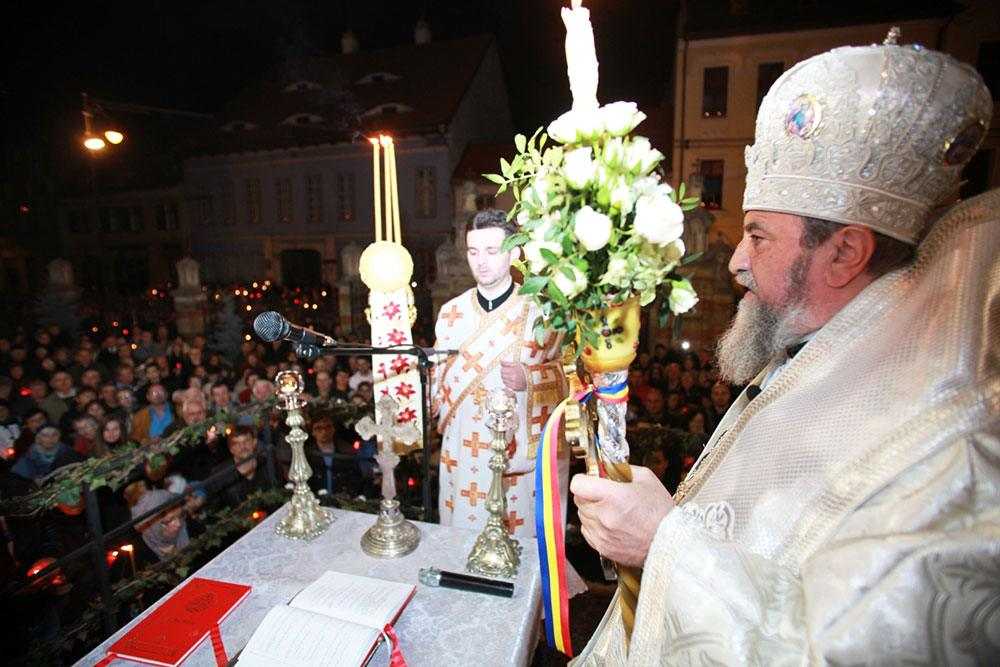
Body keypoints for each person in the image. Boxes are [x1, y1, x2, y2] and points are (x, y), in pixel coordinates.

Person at [571, 38, 998, 664]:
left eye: (758, 236)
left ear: (845, 253)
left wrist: (662, 539)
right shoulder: (817, 355)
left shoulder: (950, 442)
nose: (738, 263)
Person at [432, 209, 566, 536]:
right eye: (473, 251)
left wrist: (530, 380)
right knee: (463, 545)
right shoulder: (451, 314)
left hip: (517, 459)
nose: (481, 261)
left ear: (514, 252)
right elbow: (435, 387)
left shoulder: (541, 314)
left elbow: (572, 382)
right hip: (462, 455)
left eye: (492, 251)